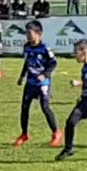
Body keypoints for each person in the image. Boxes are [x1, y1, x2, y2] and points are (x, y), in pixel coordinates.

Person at [13, 20, 62, 148]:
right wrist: (22, 76)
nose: (28, 36)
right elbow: (27, 62)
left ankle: (56, 132)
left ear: (39, 34)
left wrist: (44, 75)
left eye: (30, 33)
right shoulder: (27, 47)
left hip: (43, 83)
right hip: (30, 82)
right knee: (24, 108)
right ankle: (24, 134)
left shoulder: (45, 48)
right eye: (26, 33)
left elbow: (53, 63)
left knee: (45, 107)